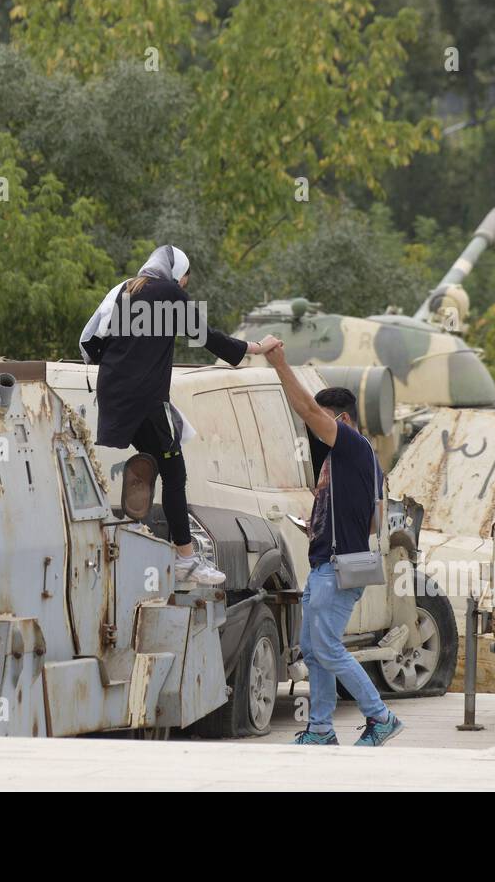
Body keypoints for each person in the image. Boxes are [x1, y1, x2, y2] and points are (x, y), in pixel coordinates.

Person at [80, 245, 279, 585]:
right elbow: (207, 337)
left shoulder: (123, 290)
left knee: (156, 458)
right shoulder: (169, 292)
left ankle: (140, 521)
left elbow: (89, 340)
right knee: (175, 472)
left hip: (114, 394)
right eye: (185, 280)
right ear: (178, 274)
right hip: (146, 397)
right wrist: (254, 347)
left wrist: (121, 366)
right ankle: (185, 557)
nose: (184, 287)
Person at [260, 336, 404, 747]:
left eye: (320, 421)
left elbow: (304, 407)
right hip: (330, 564)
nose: (313, 427)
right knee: (314, 647)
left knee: (326, 646)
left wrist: (279, 364)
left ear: (339, 420)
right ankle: (321, 728)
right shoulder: (355, 460)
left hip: (337, 570)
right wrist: (322, 525)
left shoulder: (352, 446)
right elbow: (374, 521)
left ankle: (380, 716)